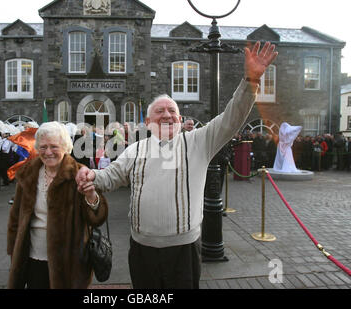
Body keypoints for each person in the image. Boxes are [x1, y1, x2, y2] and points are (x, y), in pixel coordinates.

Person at [76, 41, 278, 289]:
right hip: (141, 249)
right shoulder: (135, 149)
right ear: (148, 121)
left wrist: (250, 82)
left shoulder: (199, 142)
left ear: (180, 120)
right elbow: (109, 178)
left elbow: (231, 117)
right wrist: (89, 175)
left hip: (183, 249)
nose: (166, 115)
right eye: (159, 111)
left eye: (172, 110)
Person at [7, 121, 108, 289]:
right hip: (33, 257)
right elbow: (15, 218)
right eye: (43, 147)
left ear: (65, 146)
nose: (48, 152)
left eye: (54, 146)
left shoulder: (79, 173)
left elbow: (97, 218)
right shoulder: (28, 173)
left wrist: (91, 196)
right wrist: (14, 252)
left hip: (69, 262)